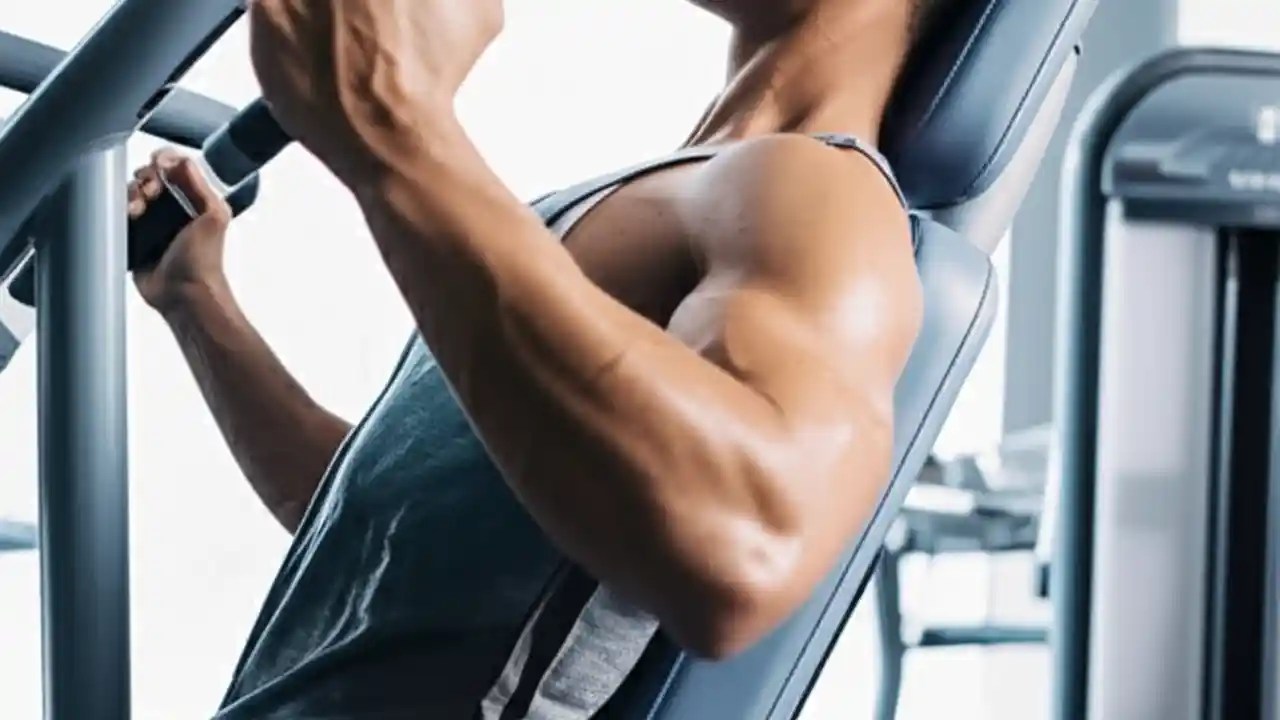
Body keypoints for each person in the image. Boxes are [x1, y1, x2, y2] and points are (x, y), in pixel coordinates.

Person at [130, 0, 942, 717]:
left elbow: (742, 548)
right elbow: (385, 534)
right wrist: (198, 302)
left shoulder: (818, 190)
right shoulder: (648, 196)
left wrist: (391, 124)